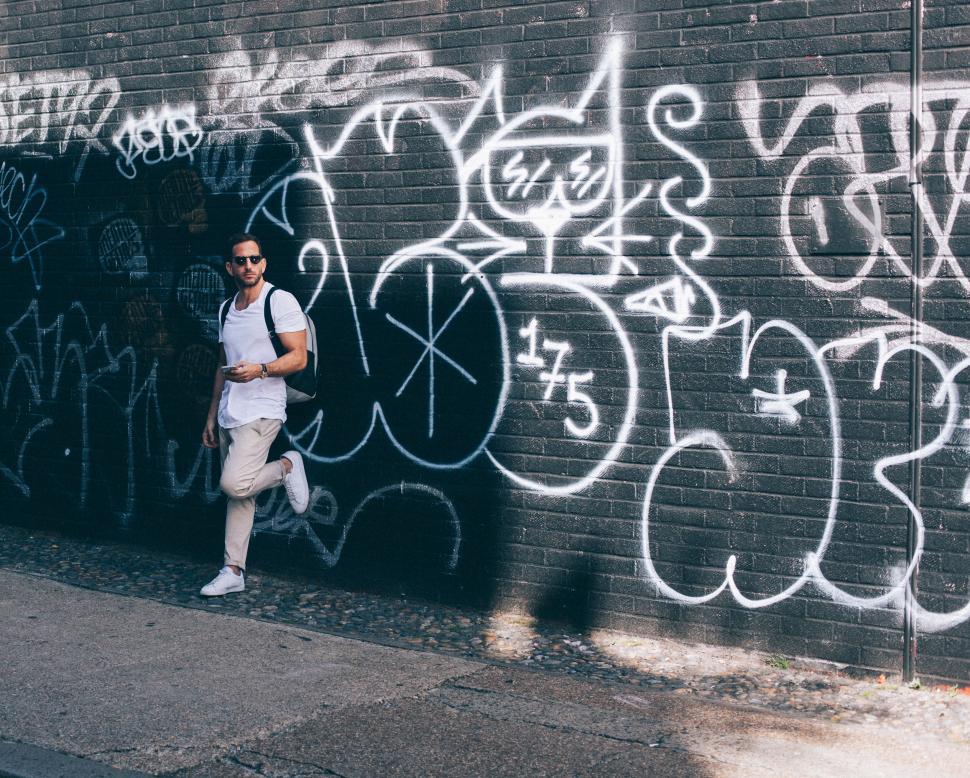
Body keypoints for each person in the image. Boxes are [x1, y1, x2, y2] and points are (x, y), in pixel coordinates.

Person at [199, 232, 311, 596]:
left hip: (263, 408)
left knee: (235, 483)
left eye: (254, 259)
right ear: (230, 267)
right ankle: (233, 570)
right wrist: (212, 415)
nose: (248, 266)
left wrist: (260, 370)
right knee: (240, 495)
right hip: (232, 410)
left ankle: (287, 467)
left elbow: (299, 356)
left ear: (263, 263)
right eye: (240, 260)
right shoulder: (226, 309)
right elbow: (222, 365)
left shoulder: (279, 301)